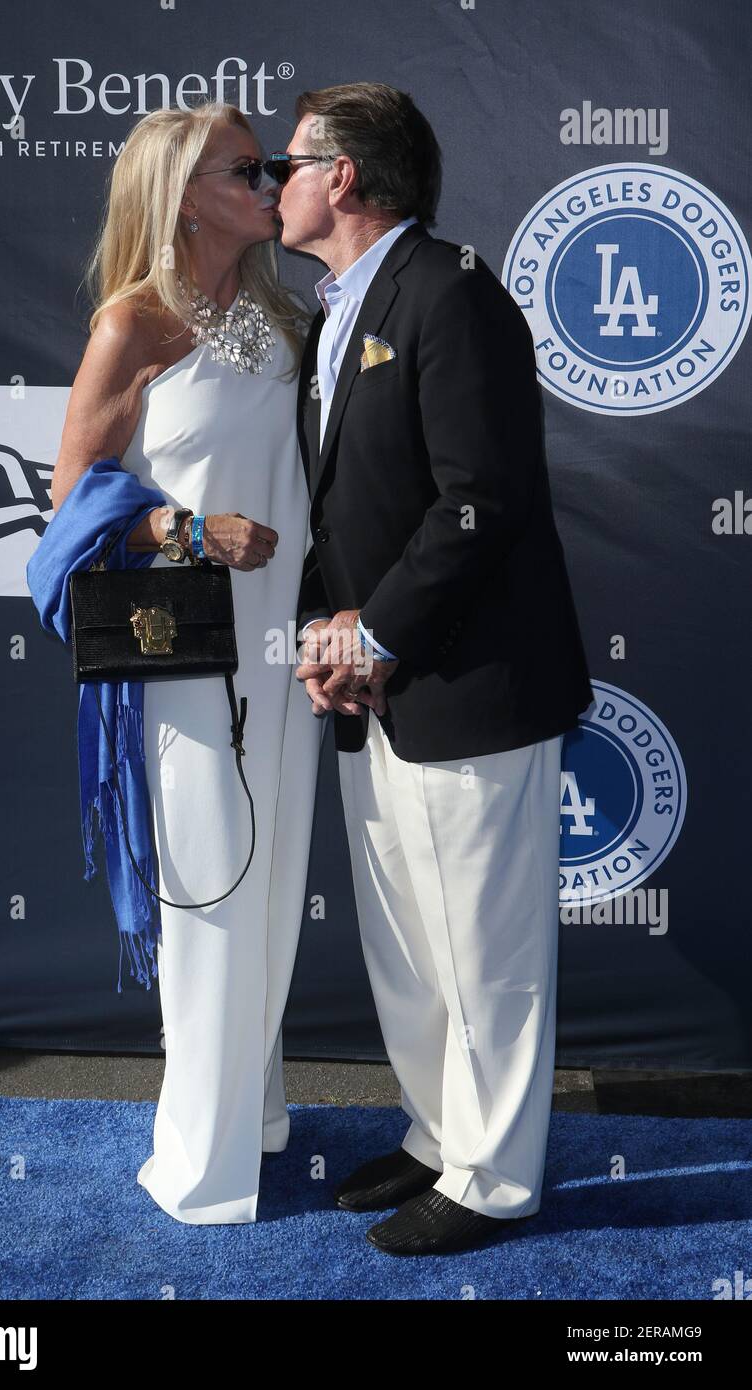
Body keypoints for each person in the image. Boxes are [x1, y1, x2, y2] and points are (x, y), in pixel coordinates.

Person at [282, 82, 595, 1255]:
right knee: (409, 946)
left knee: (485, 950)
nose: (275, 184)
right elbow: (338, 510)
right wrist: (331, 630)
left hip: (470, 687)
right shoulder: (332, 311)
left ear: (344, 177)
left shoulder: (449, 295)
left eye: (287, 163)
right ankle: (434, 1133)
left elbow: (483, 500)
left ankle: (494, 1176)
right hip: (377, 695)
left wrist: (374, 631)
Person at [49, 102, 322, 1225]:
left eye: (271, 166)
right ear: (179, 194)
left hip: (284, 653)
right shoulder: (133, 325)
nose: (271, 183)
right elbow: (67, 505)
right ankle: (200, 1163)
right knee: (209, 895)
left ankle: (251, 1117)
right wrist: (186, 530)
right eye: (245, 169)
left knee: (264, 885)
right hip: (188, 660)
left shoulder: (280, 315)